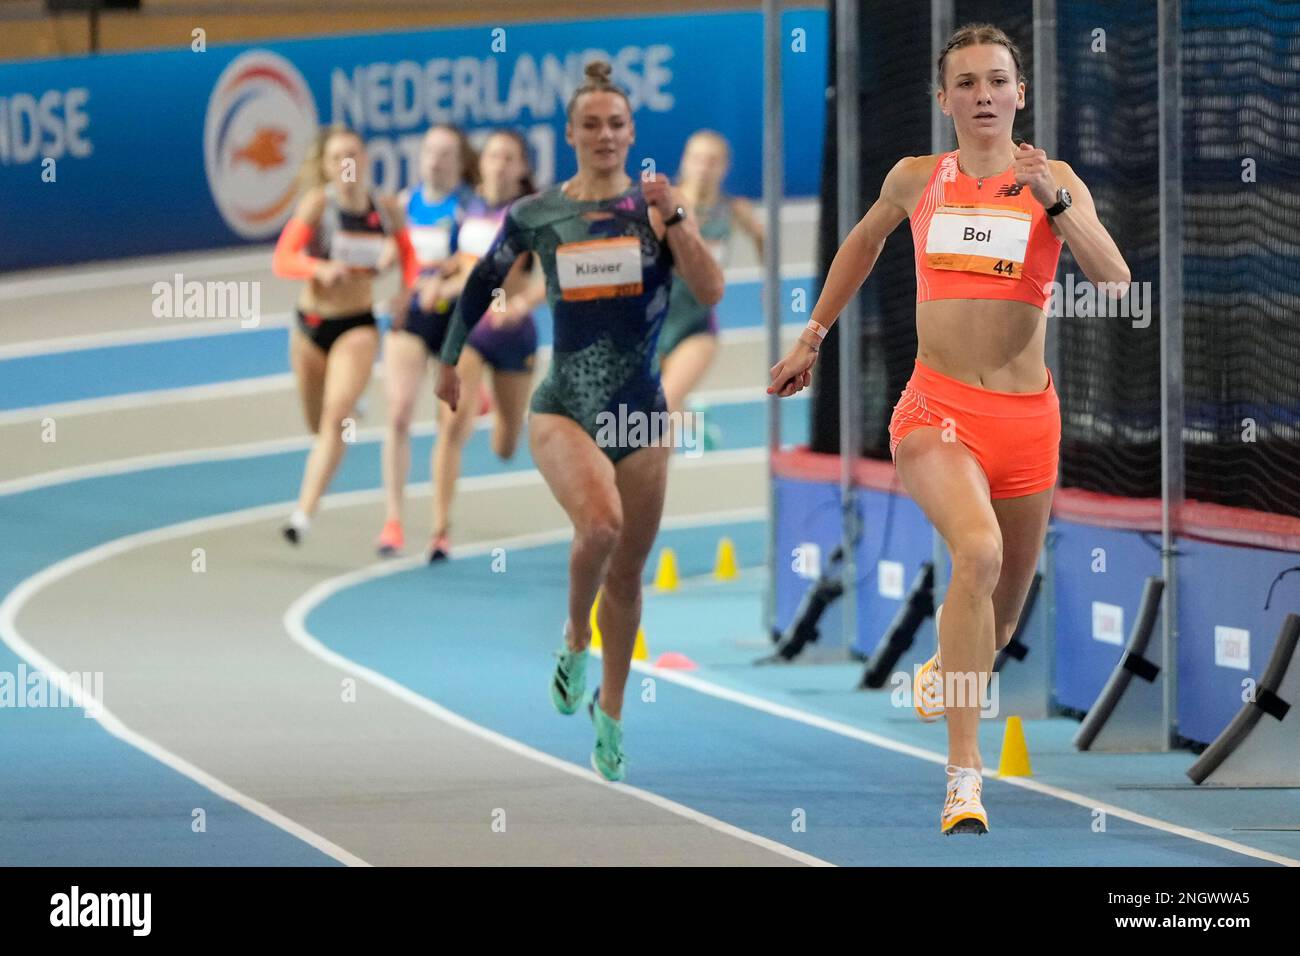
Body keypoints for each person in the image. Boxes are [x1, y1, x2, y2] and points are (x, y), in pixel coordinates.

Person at [768, 23, 1130, 834]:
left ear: (1020, 94)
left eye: (996, 81)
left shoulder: (1054, 180)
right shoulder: (915, 178)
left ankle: (952, 661)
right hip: (936, 411)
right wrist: (811, 336)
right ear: (944, 101)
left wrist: (1054, 201)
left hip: (1028, 421)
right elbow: (860, 245)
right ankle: (964, 777)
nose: (982, 96)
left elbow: (1114, 278)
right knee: (978, 551)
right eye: (965, 84)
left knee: (998, 619)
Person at [435, 61, 724, 781]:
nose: (603, 135)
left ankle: (613, 713)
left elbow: (711, 287)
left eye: (616, 125)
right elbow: (482, 281)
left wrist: (677, 217)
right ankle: (571, 639)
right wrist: (448, 358)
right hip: (563, 406)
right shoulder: (538, 214)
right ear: (569, 133)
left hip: (642, 416)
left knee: (626, 576)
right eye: (590, 124)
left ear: (631, 134)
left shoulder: (656, 208)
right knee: (600, 526)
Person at [272, 125, 416, 545]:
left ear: (365, 159)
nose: (346, 165)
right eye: (337, 158)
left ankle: (302, 514)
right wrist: (318, 269)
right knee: (318, 424)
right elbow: (283, 259)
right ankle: (350, 410)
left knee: (335, 419)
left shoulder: (386, 209)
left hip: (356, 324)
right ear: (327, 166)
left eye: (352, 155)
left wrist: (403, 287)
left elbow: (410, 261)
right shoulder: (318, 205)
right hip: (310, 325)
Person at [425, 129, 545, 561]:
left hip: (515, 336)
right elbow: (460, 258)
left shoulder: (531, 214)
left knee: (506, 446)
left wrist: (520, 304)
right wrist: (439, 277)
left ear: (521, 168)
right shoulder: (466, 207)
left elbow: (550, 278)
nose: (498, 163)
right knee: (452, 425)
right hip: (470, 330)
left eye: (508, 157)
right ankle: (439, 531)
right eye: (493, 155)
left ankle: (496, 409)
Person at [376, 124, 477, 557]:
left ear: (459, 161)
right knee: (399, 413)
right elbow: (390, 254)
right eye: (429, 152)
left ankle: (440, 527)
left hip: (457, 317)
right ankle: (393, 520)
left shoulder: (469, 208)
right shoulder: (403, 203)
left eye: (445, 154)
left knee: (449, 424)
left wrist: (442, 276)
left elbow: (475, 265)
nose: (435, 160)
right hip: (413, 317)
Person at [657, 130, 764, 417]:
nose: (703, 167)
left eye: (712, 160)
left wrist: (770, 284)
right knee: (651, 414)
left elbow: (762, 237)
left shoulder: (733, 209)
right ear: (684, 162)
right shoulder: (662, 205)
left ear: (725, 167)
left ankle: (681, 417)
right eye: (697, 159)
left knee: (663, 406)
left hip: (697, 326)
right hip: (651, 323)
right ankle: (683, 423)